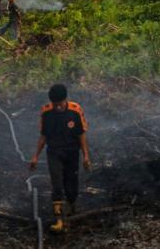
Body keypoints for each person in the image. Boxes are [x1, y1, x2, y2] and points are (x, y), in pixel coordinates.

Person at [29, 84, 92, 233]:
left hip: (72, 153)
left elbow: (81, 135)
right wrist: (35, 156)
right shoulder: (46, 112)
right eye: (55, 104)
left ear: (66, 99)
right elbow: (43, 136)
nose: (57, 107)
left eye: (60, 104)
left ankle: (71, 208)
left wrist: (86, 156)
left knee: (71, 184)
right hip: (54, 153)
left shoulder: (75, 110)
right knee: (57, 183)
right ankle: (58, 219)